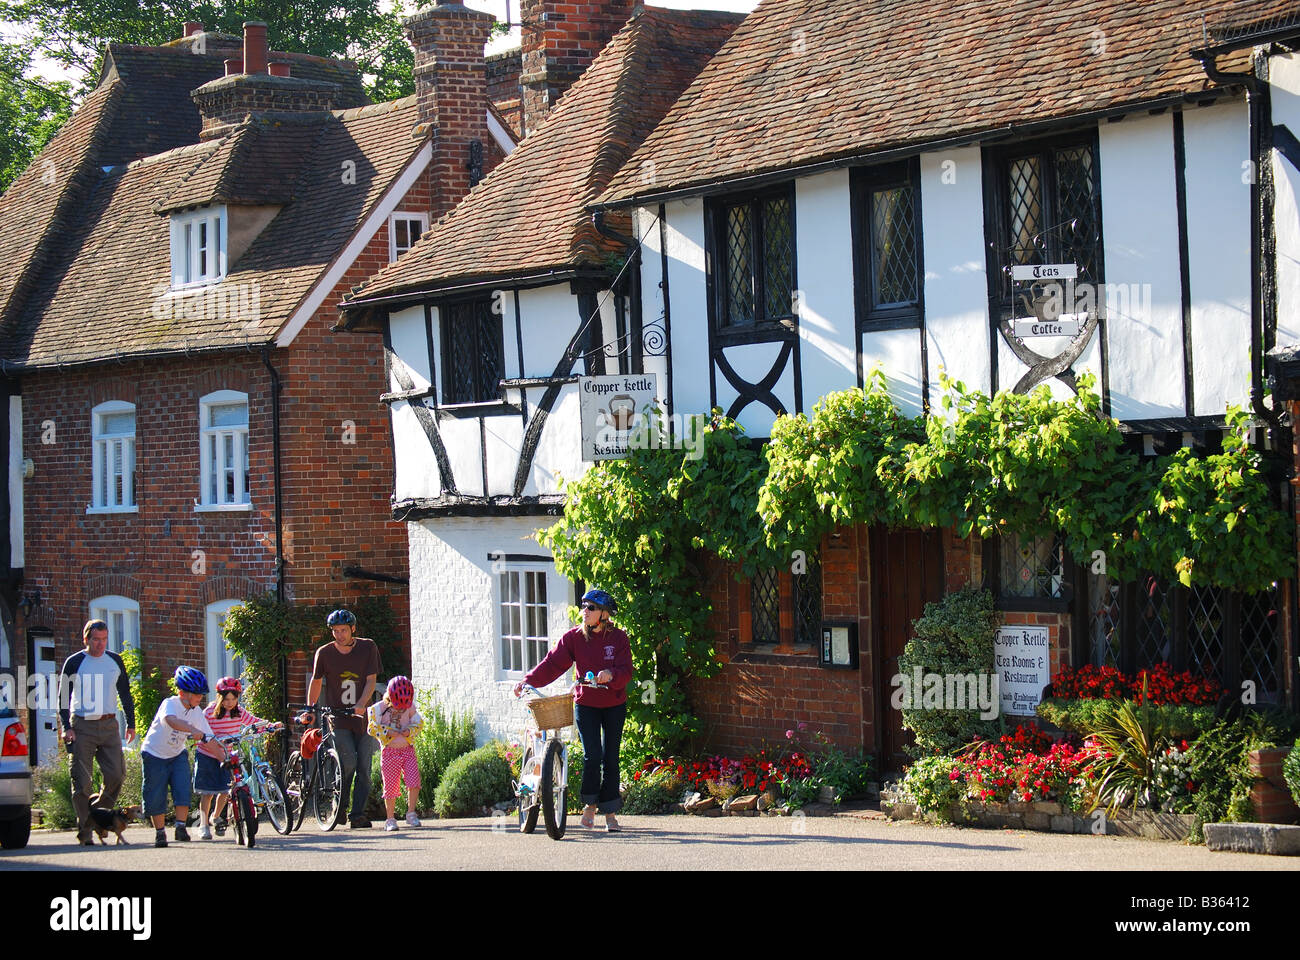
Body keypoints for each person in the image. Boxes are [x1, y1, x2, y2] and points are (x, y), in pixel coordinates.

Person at [514, 589, 632, 833]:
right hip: (586, 703)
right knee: (592, 755)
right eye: (583, 606)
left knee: (611, 757)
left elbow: (626, 671)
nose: (584, 612)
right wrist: (528, 681)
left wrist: (611, 675)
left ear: (604, 614)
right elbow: (553, 663)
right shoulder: (574, 638)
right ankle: (590, 806)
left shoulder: (619, 639)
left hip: (614, 704)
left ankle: (610, 812)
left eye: (591, 608)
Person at [58, 619, 136, 846]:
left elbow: (125, 693)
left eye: (104, 639)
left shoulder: (114, 660)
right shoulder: (75, 662)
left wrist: (130, 723)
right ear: (86, 639)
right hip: (82, 725)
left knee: (117, 775)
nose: (100, 644)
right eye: (96, 640)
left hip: (109, 724)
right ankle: (86, 830)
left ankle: (98, 813)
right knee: (82, 781)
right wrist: (66, 727)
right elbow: (63, 696)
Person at [300, 609, 378, 828]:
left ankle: (358, 815)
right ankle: (339, 809)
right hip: (338, 717)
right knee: (348, 763)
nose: (340, 635)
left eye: (344, 630)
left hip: (361, 718)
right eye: (335, 631)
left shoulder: (368, 647)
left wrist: (362, 704)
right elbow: (316, 682)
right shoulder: (324, 653)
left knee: (364, 767)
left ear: (353, 629)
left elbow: (371, 680)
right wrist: (310, 708)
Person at [140, 666, 227, 847]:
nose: (200, 698)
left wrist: (224, 759)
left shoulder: (196, 713)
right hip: (154, 753)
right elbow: (171, 720)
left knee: (182, 789)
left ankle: (180, 827)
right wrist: (192, 729)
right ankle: (160, 832)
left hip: (177, 753)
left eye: (201, 694)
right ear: (182, 693)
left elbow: (209, 739)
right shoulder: (170, 703)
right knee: (157, 792)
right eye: (196, 694)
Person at [194, 676, 280, 840]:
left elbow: (253, 722)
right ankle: (204, 825)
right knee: (208, 792)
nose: (230, 703)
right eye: (226, 699)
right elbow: (200, 731)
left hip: (226, 755)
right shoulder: (210, 712)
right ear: (219, 697)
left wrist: (270, 726)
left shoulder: (239, 712)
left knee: (226, 789)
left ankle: (215, 816)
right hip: (207, 753)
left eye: (233, 699)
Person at [367, 676, 424, 832]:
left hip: (408, 749)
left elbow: (419, 723)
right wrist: (387, 732)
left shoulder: (410, 707)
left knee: (414, 781)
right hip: (389, 752)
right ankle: (390, 819)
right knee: (391, 786)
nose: (401, 709)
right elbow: (371, 728)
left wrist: (410, 730)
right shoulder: (378, 709)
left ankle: (411, 813)